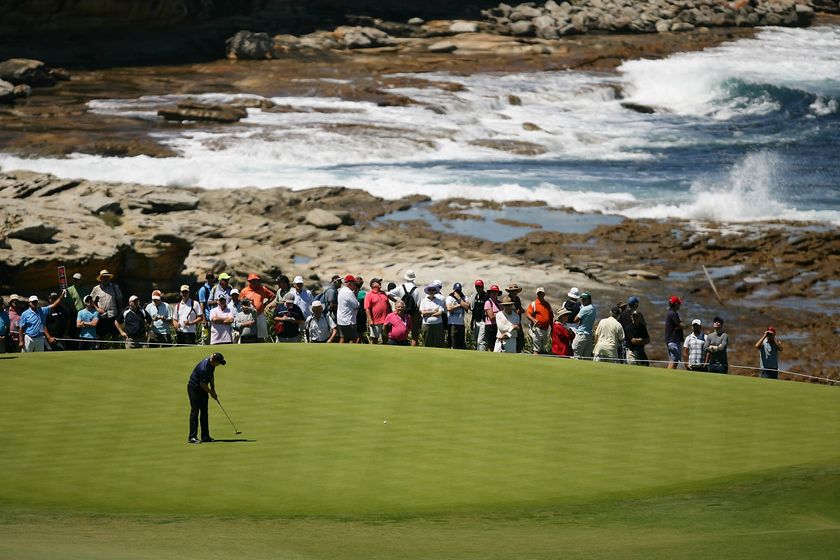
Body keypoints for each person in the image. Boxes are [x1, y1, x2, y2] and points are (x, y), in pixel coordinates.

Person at [186, 352, 226, 444]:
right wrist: (211, 393)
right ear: (213, 361)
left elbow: (211, 376)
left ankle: (205, 436)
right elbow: (203, 385)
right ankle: (192, 437)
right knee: (195, 411)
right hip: (194, 388)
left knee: (204, 412)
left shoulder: (212, 364)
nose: (218, 365)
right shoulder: (203, 368)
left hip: (202, 388)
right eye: (218, 363)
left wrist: (213, 389)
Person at [387, 270, 422, 345]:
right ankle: (413, 350)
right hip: (413, 313)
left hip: (402, 312)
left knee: (399, 330)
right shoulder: (416, 289)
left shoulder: (401, 287)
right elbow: (418, 304)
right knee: (414, 333)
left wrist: (397, 301)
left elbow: (388, 294)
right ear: (413, 278)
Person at [89, 269, 124, 343]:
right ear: (100, 278)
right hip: (102, 317)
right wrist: (97, 309)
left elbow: (119, 300)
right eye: (103, 277)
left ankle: (117, 352)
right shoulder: (96, 289)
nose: (105, 278)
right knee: (101, 336)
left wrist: (120, 314)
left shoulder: (115, 287)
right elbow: (90, 300)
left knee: (115, 336)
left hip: (114, 316)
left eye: (107, 277)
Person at [239, 273, 276, 342]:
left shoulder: (262, 289)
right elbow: (240, 302)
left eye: (256, 280)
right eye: (252, 280)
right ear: (249, 281)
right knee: (249, 334)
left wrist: (265, 305)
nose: (254, 282)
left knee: (261, 336)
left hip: (260, 315)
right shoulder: (244, 291)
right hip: (249, 316)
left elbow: (272, 296)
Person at [525, 287, 554, 354]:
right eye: (539, 293)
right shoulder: (533, 304)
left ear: (544, 294)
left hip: (546, 330)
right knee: (536, 349)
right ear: (537, 295)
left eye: (541, 293)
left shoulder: (547, 305)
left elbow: (550, 317)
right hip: (537, 329)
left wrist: (552, 328)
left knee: (543, 349)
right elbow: (528, 314)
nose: (540, 295)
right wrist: (534, 320)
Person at [364, 278, 391, 344]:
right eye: (377, 282)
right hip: (375, 321)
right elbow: (367, 309)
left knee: (385, 338)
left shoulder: (384, 293)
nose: (380, 283)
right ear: (372, 285)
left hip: (385, 321)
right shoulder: (369, 295)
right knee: (374, 340)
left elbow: (388, 306)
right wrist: (370, 320)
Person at [419, 283, 446, 348]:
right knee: (427, 342)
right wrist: (434, 311)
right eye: (430, 290)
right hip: (426, 324)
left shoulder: (439, 301)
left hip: (437, 324)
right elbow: (423, 313)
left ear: (435, 291)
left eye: (433, 290)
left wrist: (428, 313)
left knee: (438, 343)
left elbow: (440, 313)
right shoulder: (424, 301)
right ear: (428, 291)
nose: (431, 291)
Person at [445, 282, 470, 349]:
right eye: (456, 291)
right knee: (452, 342)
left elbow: (467, 307)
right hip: (452, 323)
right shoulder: (450, 297)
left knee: (460, 343)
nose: (457, 292)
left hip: (461, 324)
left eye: (459, 291)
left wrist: (459, 299)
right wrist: (460, 305)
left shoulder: (464, 297)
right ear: (453, 290)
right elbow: (449, 308)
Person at [572, 292, 596, 359]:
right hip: (589, 335)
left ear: (588, 300)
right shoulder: (593, 308)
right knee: (586, 358)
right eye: (582, 299)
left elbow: (575, 320)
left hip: (581, 334)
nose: (582, 301)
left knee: (576, 357)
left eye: (584, 299)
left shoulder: (585, 309)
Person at [336, 274, 360, 343]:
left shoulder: (341, 290)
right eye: (354, 284)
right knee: (354, 339)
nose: (355, 286)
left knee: (343, 338)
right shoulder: (349, 292)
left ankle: (339, 352)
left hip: (341, 319)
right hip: (348, 321)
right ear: (349, 284)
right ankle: (351, 352)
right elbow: (356, 305)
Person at [664, 296, 686, 369]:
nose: (680, 305)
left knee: (674, 360)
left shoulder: (671, 313)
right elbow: (681, 325)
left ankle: (669, 376)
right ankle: (668, 376)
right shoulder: (672, 313)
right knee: (674, 360)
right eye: (679, 303)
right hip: (673, 340)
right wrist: (684, 325)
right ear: (676, 304)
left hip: (672, 340)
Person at [505, 284, 526, 352]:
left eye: (515, 291)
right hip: (510, 323)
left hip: (518, 322)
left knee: (520, 341)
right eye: (512, 291)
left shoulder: (517, 299)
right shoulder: (507, 299)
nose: (514, 292)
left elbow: (520, 309)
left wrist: (521, 310)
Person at [197, 271, 216, 345]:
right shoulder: (203, 289)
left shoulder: (215, 288)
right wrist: (204, 320)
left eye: (211, 277)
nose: (210, 279)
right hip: (207, 318)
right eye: (208, 277)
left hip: (214, 317)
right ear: (206, 279)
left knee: (213, 338)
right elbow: (202, 305)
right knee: (205, 338)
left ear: (214, 278)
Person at [469, 280, 489, 351]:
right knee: (476, 340)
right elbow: (473, 310)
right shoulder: (475, 296)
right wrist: (472, 321)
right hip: (476, 321)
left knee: (481, 341)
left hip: (483, 321)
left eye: (479, 287)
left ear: (483, 287)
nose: (478, 288)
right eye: (477, 287)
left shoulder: (486, 296)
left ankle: (482, 355)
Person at [483, 285, 502, 352]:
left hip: (498, 326)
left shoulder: (499, 303)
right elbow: (491, 317)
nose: (494, 293)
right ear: (490, 293)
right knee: (491, 345)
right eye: (493, 292)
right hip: (490, 326)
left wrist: (496, 315)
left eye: (495, 292)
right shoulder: (488, 302)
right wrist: (500, 315)